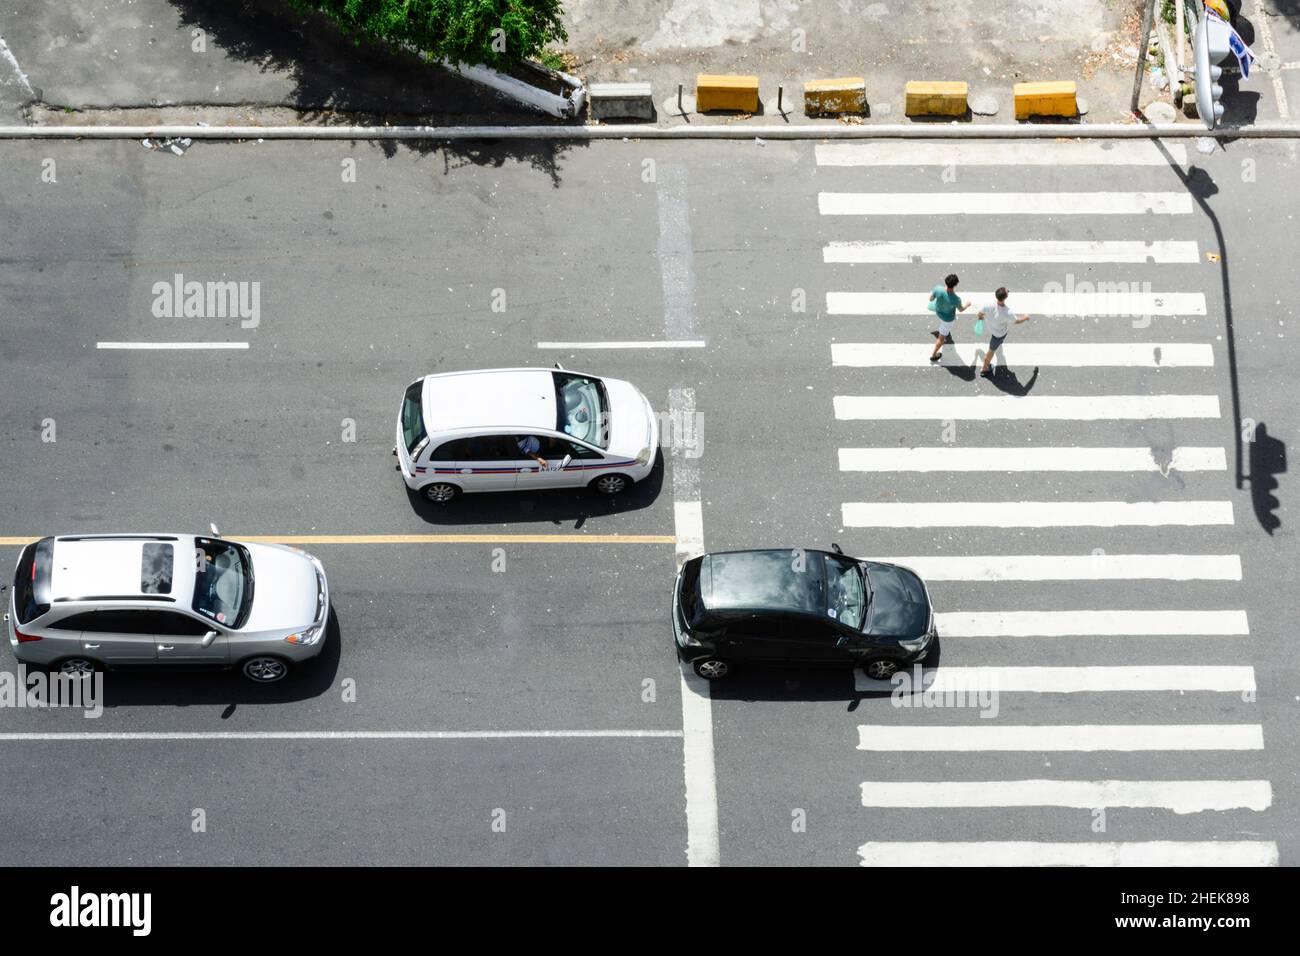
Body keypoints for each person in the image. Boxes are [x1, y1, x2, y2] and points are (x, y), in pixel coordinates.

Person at [978, 287, 1030, 377]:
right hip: (999, 335)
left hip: (991, 328)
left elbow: (979, 314)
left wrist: (981, 318)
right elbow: (1017, 321)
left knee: (995, 346)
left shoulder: (987, 304)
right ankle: (984, 368)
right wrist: (1025, 317)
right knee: (991, 351)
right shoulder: (1008, 312)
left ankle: (995, 350)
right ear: (1005, 297)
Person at [929, 273, 970, 362]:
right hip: (947, 320)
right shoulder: (956, 299)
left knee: (943, 328)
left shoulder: (938, 289)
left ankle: (942, 331)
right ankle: (934, 355)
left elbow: (931, 299)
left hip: (939, 312)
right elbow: (961, 309)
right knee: (941, 338)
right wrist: (967, 305)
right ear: (956, 285)